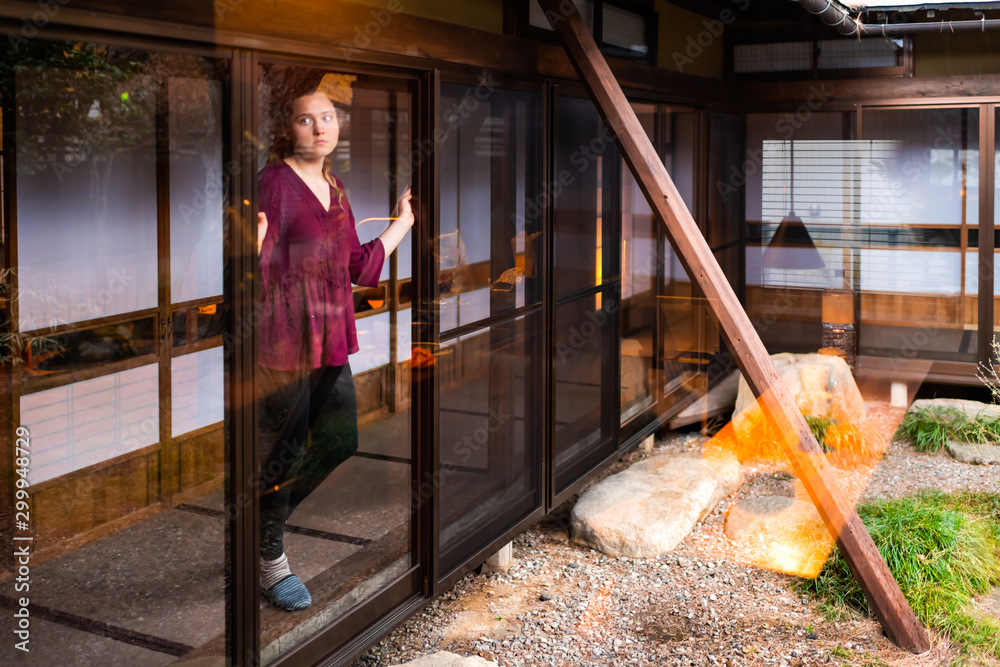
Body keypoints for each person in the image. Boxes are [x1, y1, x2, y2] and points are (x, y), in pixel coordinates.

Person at [254, 76, 413, 611]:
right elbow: (256, 264)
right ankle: (271, 558)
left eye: (328, 117)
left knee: (340, 440)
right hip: (285, 340)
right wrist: (251, 251)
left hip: (330, 335)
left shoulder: (336, 187)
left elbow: (355, 267)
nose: (320, 127)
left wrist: (404, 222)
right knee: (285, 450)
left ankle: (259, 521)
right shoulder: (272, 184)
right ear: (286, 128)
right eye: (305, 118)